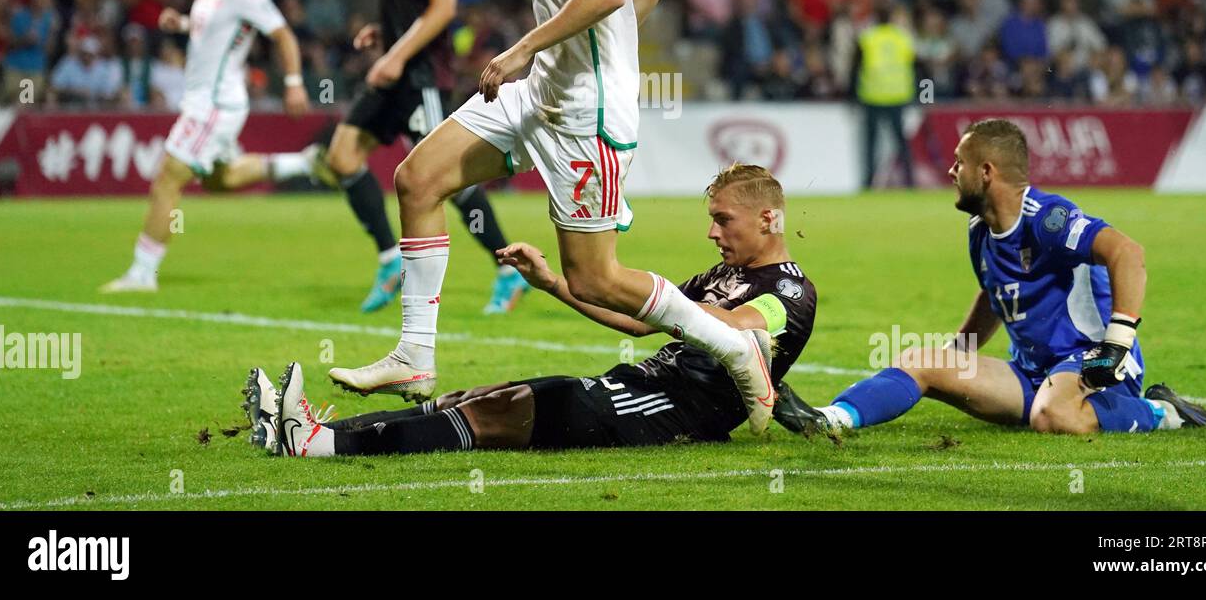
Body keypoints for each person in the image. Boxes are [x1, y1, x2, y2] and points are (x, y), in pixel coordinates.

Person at [326, 0, 776, 433]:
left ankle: (735, 346)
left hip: (581, 116)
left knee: (595, 279)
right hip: (540, 96)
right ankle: (415, 354)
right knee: (418, 177)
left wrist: (526, 51)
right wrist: (592, 56)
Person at [243, 165, 814, 456]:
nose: (711, 232)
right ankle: (307, 433)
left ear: (768, 220)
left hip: (681, 414)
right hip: (642, 386)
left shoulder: (789, 290)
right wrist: (554, 284)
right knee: (477, 398)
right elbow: (640, 319)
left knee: (516, 409)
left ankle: (316, 444)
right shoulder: (722, 274)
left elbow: (743, 331)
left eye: (724, 220)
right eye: (711, 218)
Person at [774, 118, 1206, 437]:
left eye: (959, 163)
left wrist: (1116, 344)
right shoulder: (980, 232)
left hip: (1092, 362)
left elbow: (1127, 252)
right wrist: (959, 355)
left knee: (1054, 416)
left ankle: (1163, 412)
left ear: (986, 172)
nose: (951, 172)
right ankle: (829, 419)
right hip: (1030, 374)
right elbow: (995, 296)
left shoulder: (1048, 218)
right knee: (920, 359)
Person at [302, 0, 526, 313]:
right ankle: (389, 260)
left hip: (421, 74)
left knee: (448, 178)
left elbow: (444, 7)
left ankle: (508, 269)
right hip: (398, 68)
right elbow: (418, 6)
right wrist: (384, 32)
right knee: (342, 156)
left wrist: (397, 54)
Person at [100, 0, 314, 293]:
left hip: (213, 105)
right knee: (221, 178)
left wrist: (294, 83)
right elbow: (213, 31)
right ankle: (303, 161)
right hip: (208, 102)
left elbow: (283, 36)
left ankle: (142, 273)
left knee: (167, 178)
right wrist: (180, 24)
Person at [852, 0, 915, 188]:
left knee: (871, 143)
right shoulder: (903, 37)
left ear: (875, 16)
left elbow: (855, 67)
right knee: (901, 142)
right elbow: (915, 65)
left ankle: (868, 183)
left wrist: (851, 93)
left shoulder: (867, 37)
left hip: (872, 95)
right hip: (897, 95)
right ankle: (910, 182)